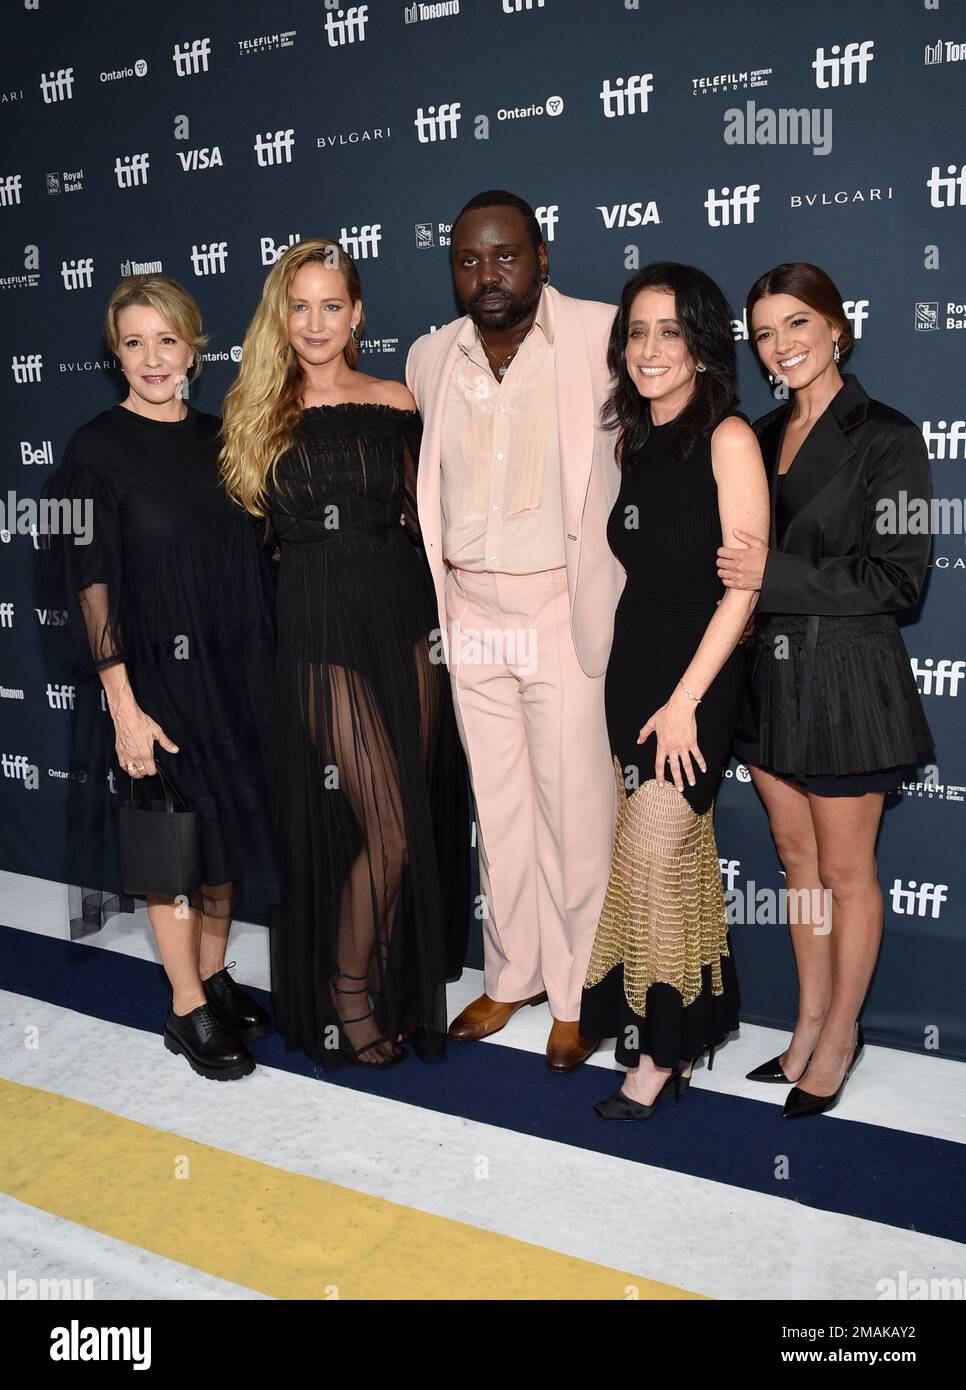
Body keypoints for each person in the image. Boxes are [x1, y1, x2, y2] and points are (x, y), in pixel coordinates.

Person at [221, 239, 469, 1071]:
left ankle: (391, 983)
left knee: (410, 818)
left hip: (406, 622)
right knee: (386, 829)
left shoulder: (397, 398)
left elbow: (430, 517)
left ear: (357, 313)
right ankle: (346, 990)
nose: (317, 322)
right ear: (279, 316)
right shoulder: (256, 410)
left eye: (333, 305)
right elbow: (241, 547)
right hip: (318, 629)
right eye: (301, 306)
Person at [406, 190, 624, 1072]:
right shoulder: (429, 359)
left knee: (575, 807)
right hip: (469, 610)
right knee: (497, 809)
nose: (486, 274)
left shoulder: (604, 338)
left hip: (559, 605)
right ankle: (514, 971)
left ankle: (577, 992)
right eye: (468, 259)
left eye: (504, 255)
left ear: (542, 254)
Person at [43, 275, 281, 1081]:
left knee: (221, 848)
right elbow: (90, 585)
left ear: (195, 347)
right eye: (134, 342)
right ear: (116, 353)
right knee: (170, 848)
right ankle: (185, 1008)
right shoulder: (95, 452)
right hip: (153, 682)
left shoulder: (224, 437)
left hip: (230, 674)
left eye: (166, 340)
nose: (152, 357)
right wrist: (123, 707)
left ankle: (212, 976)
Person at [724, 261, 934, 1118]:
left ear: (837, 327)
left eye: (797, 325)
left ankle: (842, 1036)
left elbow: (902, 577)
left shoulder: (892, 434)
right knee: (798, 862)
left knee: (847, 872)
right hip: (770, 683)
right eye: (766, 333)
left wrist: (774, 575)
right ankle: (808, 1021)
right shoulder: (758, 434)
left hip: (849, 677)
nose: (782, 346)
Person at [580, 263, 769, 1119]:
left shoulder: (728, 438)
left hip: (698, 685)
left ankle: (656, 1057)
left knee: (655, 854)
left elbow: (744, 587)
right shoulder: (634, 440)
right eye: (637, 331)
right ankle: (688, 1034)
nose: (649, 349)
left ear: (700, 344)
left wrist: (688, 698)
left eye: (668, 331)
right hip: (634, 678)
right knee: (676, 871)